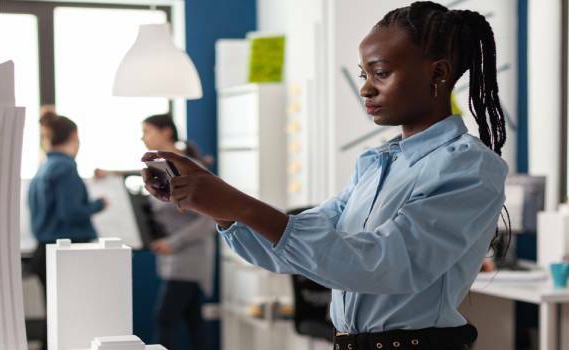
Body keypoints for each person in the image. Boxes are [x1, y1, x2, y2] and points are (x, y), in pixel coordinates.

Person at [142, 2, 509, 349]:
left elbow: (385, 264)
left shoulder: (469, 166)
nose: (365, 87)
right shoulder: (377, 163)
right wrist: (217, 204)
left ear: (439, 73)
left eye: (380, 73)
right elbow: (293, 252)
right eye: (365, 74)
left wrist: (238, 203)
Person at [141, 114, 216, 350]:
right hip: (174, 260)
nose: (143, 138)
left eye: (147, 131)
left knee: (165, 318)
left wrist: (173, 243)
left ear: (166, 132)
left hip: (188, 259)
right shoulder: (157, 168)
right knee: (194, 322)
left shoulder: (189, 167)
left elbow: (209, 219)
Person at [28, 113, 107, 290]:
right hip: (67, 253)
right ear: (74, 135)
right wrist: (99, 204)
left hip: (46, 251)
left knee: (56, 315)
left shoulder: (45, 167)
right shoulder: (65, 167)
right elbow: (71, 212)